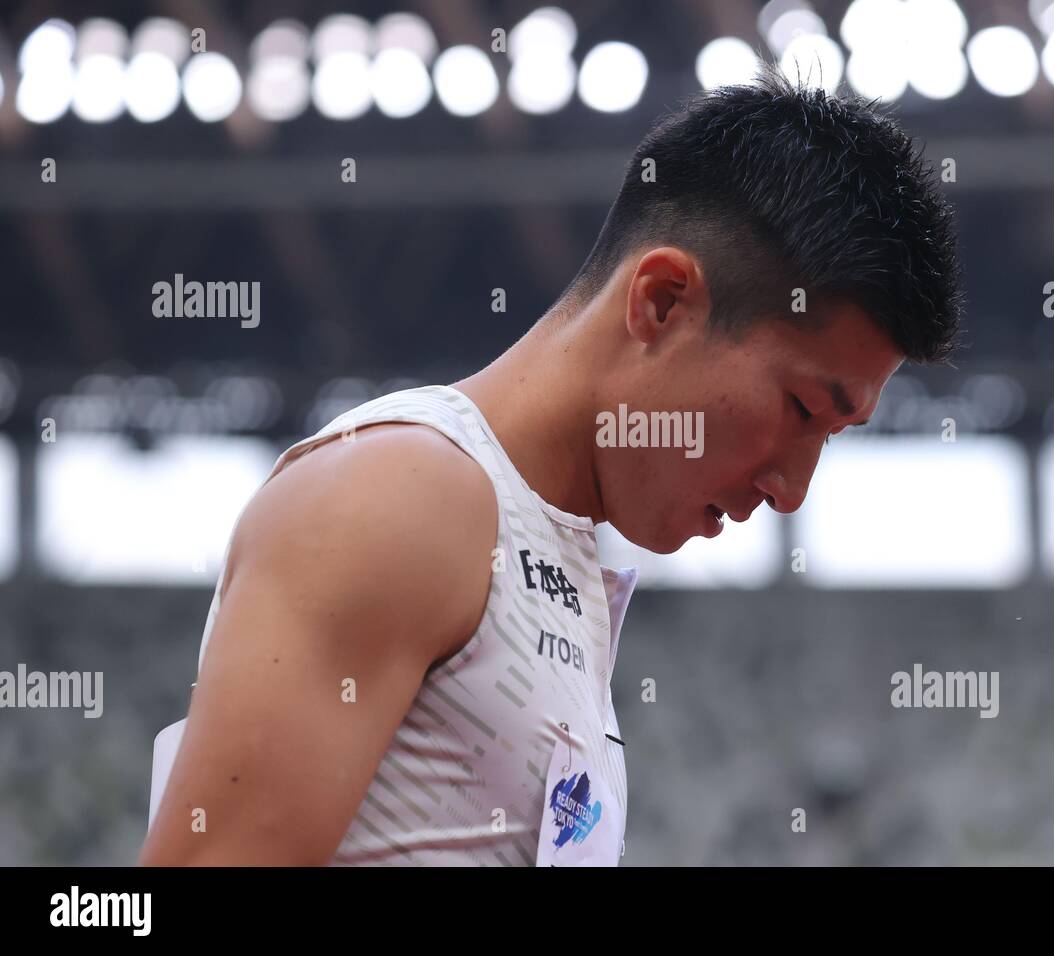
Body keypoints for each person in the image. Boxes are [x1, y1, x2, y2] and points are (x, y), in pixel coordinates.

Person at [138, 63, 962, 867]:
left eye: (835, 434)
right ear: (663, 302)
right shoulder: (398, 497)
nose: (792, 490)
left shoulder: (544, 550)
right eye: (803, 410)